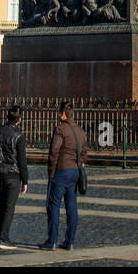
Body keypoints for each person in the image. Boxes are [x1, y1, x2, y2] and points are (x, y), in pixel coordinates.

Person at [40, 101, 89, 251]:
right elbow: (84, 154)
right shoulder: (81, 131)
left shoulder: (60, 129)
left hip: (61, 171)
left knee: (53, 205)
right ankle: (70, 241)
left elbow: (54, 152)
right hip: (74, 171)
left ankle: (52, 241)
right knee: (71, 207)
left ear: (62, 114)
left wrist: (51, 171)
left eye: (58, 113)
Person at [0, 106, 28, 251]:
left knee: (0, 206)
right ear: (19, 119)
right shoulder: (19, 135)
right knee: (9, 207)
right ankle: (3, 239)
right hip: (13, 174)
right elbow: (22, 160)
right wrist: (25, 180)